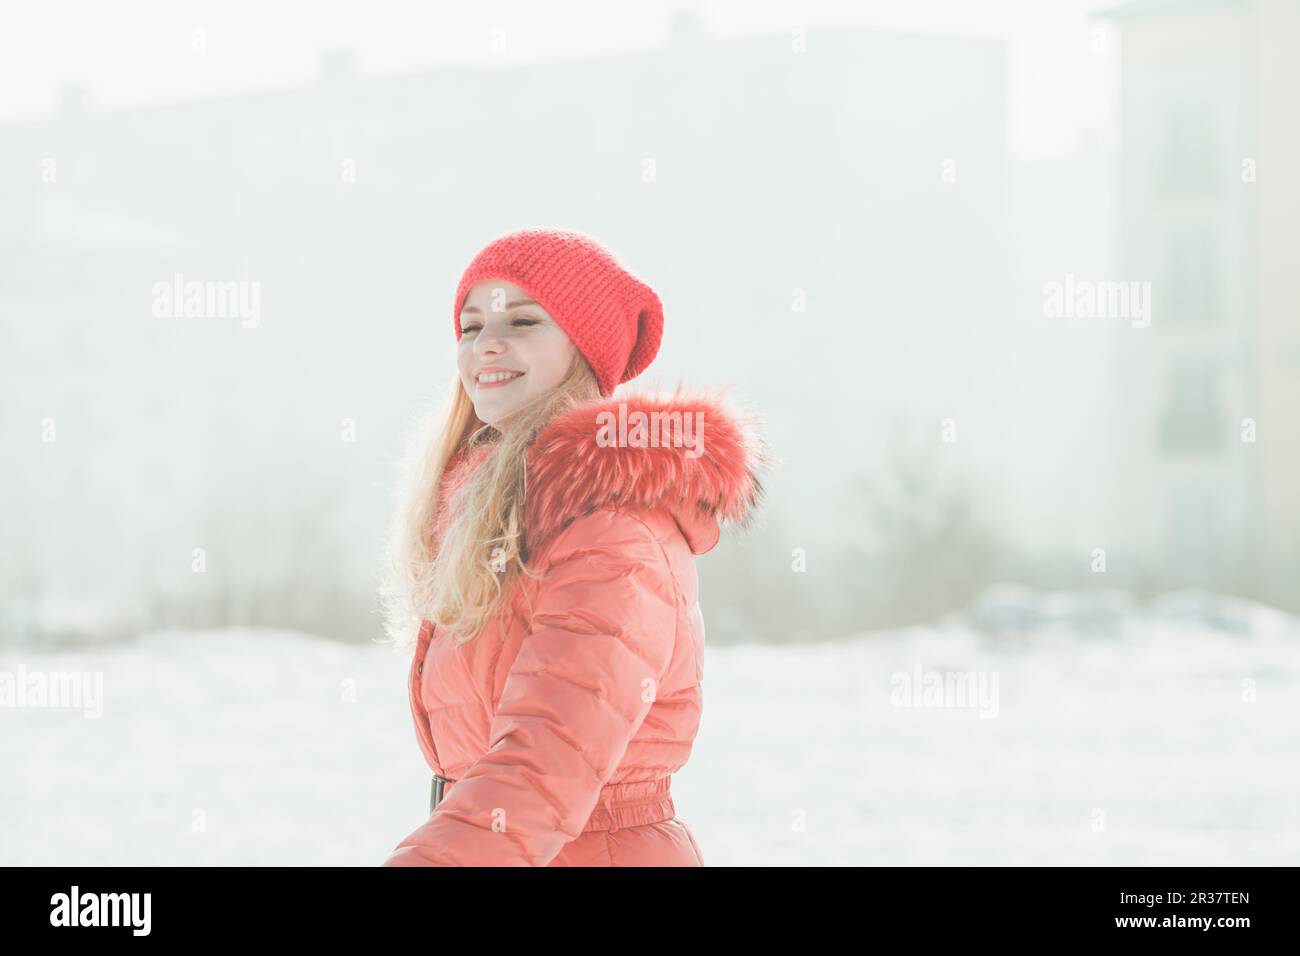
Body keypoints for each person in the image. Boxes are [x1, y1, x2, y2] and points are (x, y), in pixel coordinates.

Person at [379, 227, 769, 866]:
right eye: (470, 326)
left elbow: (542, 765)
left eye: (523, 320)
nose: (488, 345)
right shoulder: (497, 512)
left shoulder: (611, 528)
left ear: (583, 346)